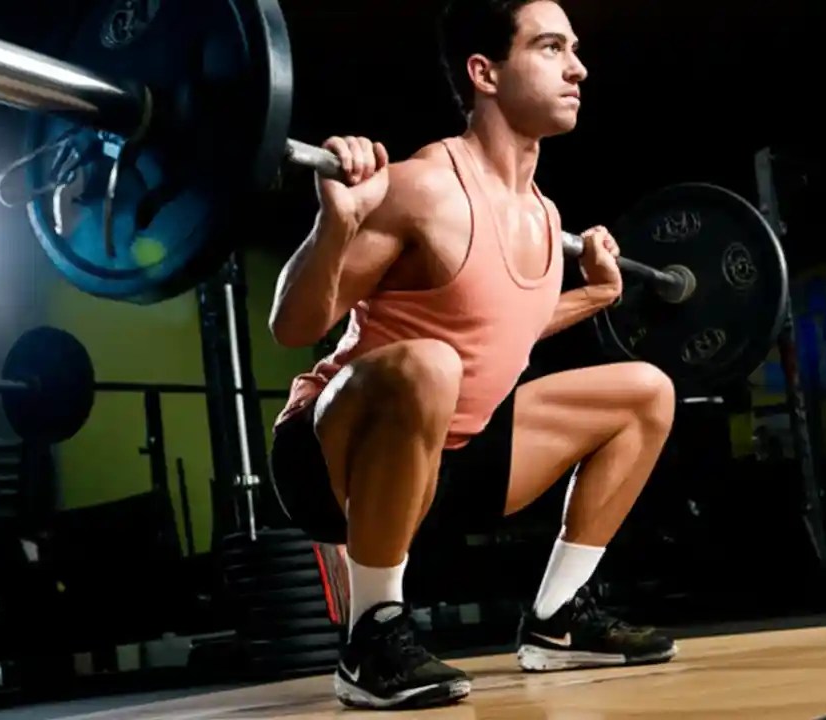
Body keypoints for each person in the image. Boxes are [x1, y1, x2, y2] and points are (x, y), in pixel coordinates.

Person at [266, 0, 678, 710]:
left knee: (646, 390)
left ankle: (557, 622)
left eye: (573, 50)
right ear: (485, 72)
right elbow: (293, 323)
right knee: (431, 365)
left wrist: (595, 297)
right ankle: (371, 635)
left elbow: (496, 325)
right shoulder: (424, 188)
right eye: (550, 48)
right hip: (329, 459)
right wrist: (335, 224)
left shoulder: (547, 216)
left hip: (448, 462)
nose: (577, 67)